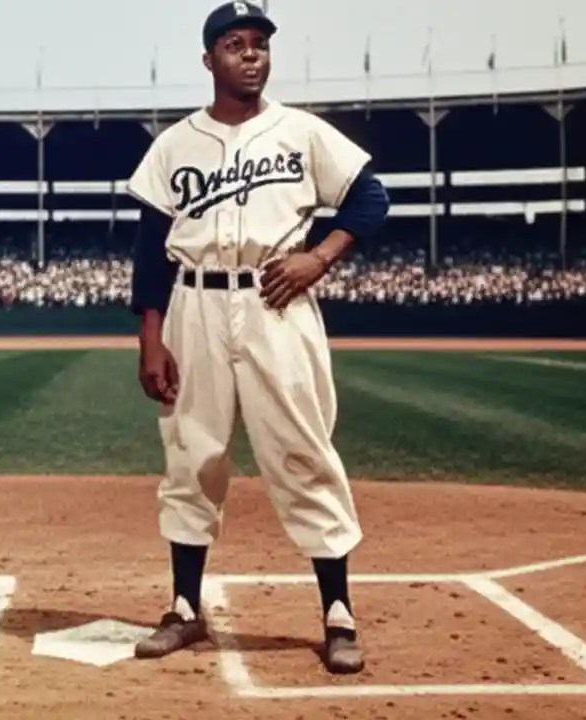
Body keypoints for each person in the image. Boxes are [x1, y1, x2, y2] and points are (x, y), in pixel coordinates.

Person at [125, 1, 390, 674]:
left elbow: (370, 199)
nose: (252, 54)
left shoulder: (299, 132)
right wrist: (150, 337)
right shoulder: (176, 143)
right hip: (195, 304)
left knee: (303, 449)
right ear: (209, 59)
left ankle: (338, 613)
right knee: (191, 454)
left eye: (260, 44)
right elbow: (150, 249)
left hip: (277, 302)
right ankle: (186, 609)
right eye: (236, 44)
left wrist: (319, 257)